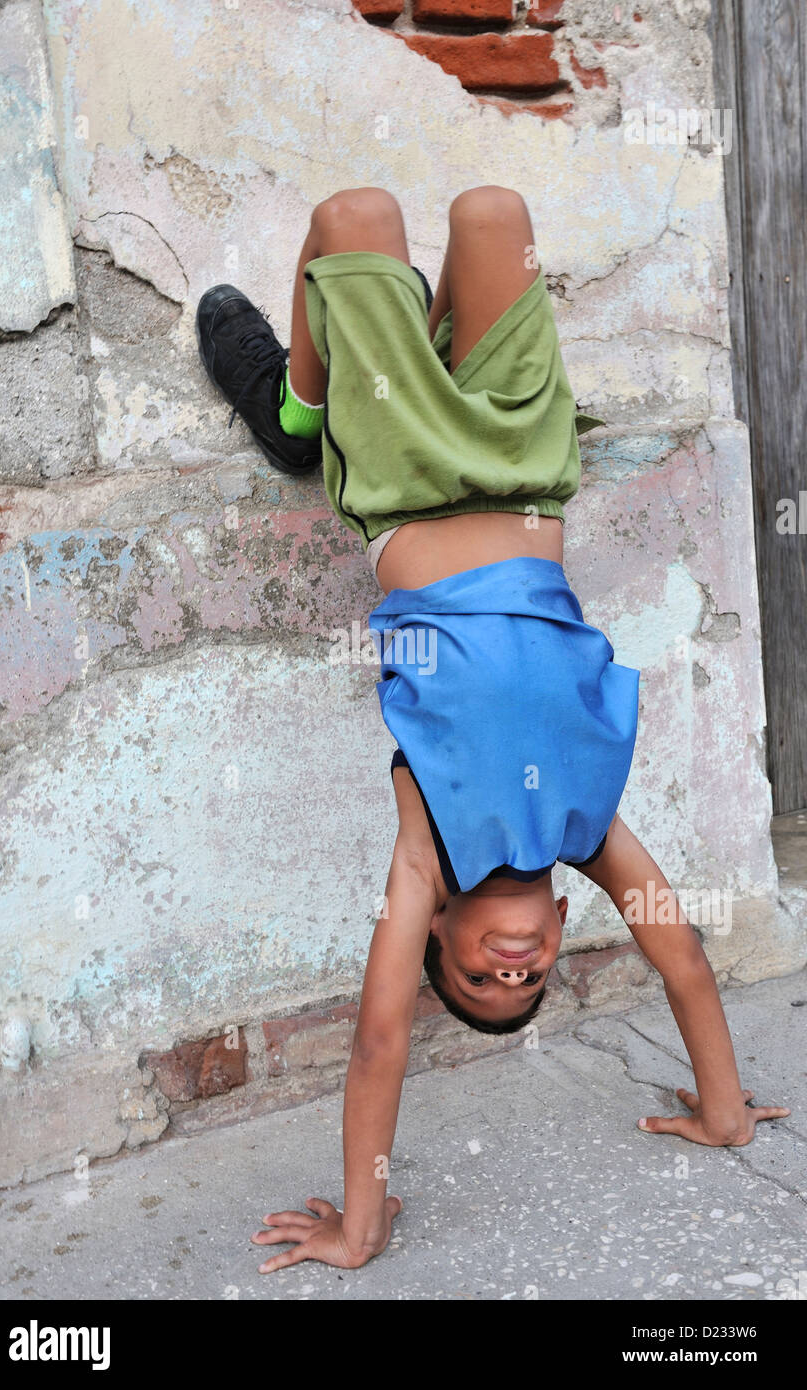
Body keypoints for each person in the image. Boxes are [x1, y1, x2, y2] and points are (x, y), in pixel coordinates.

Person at [196, 186, 790, 1275]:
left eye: (479, 981)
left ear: (438, 934)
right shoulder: (585, 827)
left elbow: (380, 1040)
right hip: (524, 472)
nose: (513, 970)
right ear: (562, 924)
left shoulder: (427, 855)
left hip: (405, 483)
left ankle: (297, 411)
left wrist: (360, 1229)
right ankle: (420, 350)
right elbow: (684, 961)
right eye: (529, 982)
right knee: (491, 213)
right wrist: (724, 1113)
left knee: (356, 216)